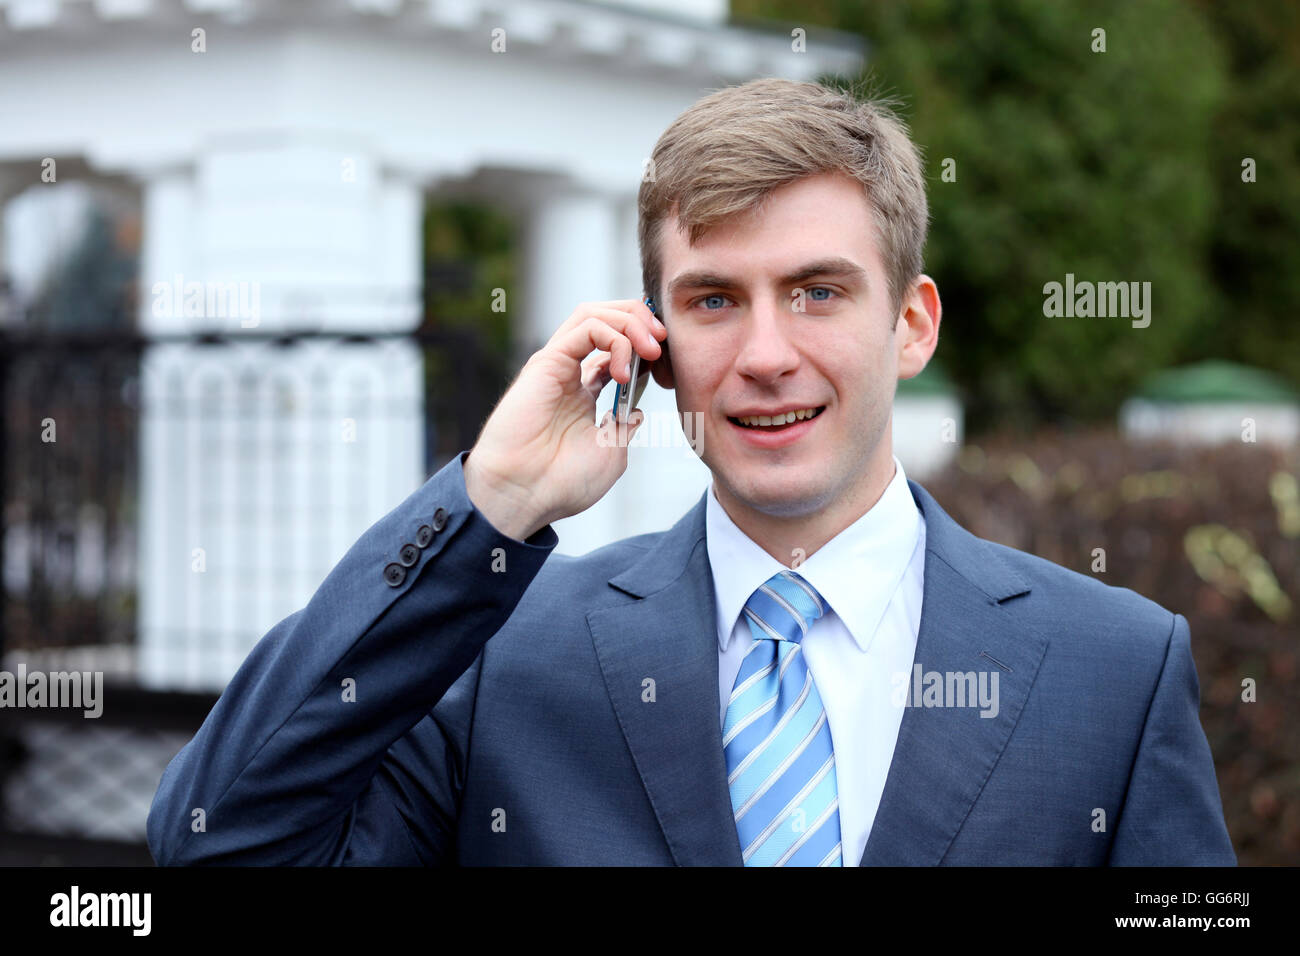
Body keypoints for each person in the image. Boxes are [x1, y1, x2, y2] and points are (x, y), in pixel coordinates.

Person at [147, 78, 1235, 866]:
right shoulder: (502, 662)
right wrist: (493, 499)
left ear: (910, 324)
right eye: (714, 299)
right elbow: (217, 839)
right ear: (653, 339)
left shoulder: (1115, 670)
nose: (765, 354)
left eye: (816, 291)